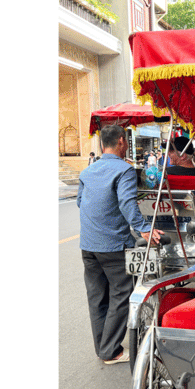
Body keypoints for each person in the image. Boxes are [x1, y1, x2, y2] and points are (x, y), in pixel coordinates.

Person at [77, 125, 164, 364]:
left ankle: (103, 348)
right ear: (121, 142)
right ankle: (110, 351)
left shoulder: (88, 171)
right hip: (113, 244)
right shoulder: (124, 170)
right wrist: (144, 228)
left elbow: (80, 202)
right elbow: (127, 203)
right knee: (121, 292)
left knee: (97, 296)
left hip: (88, 244)